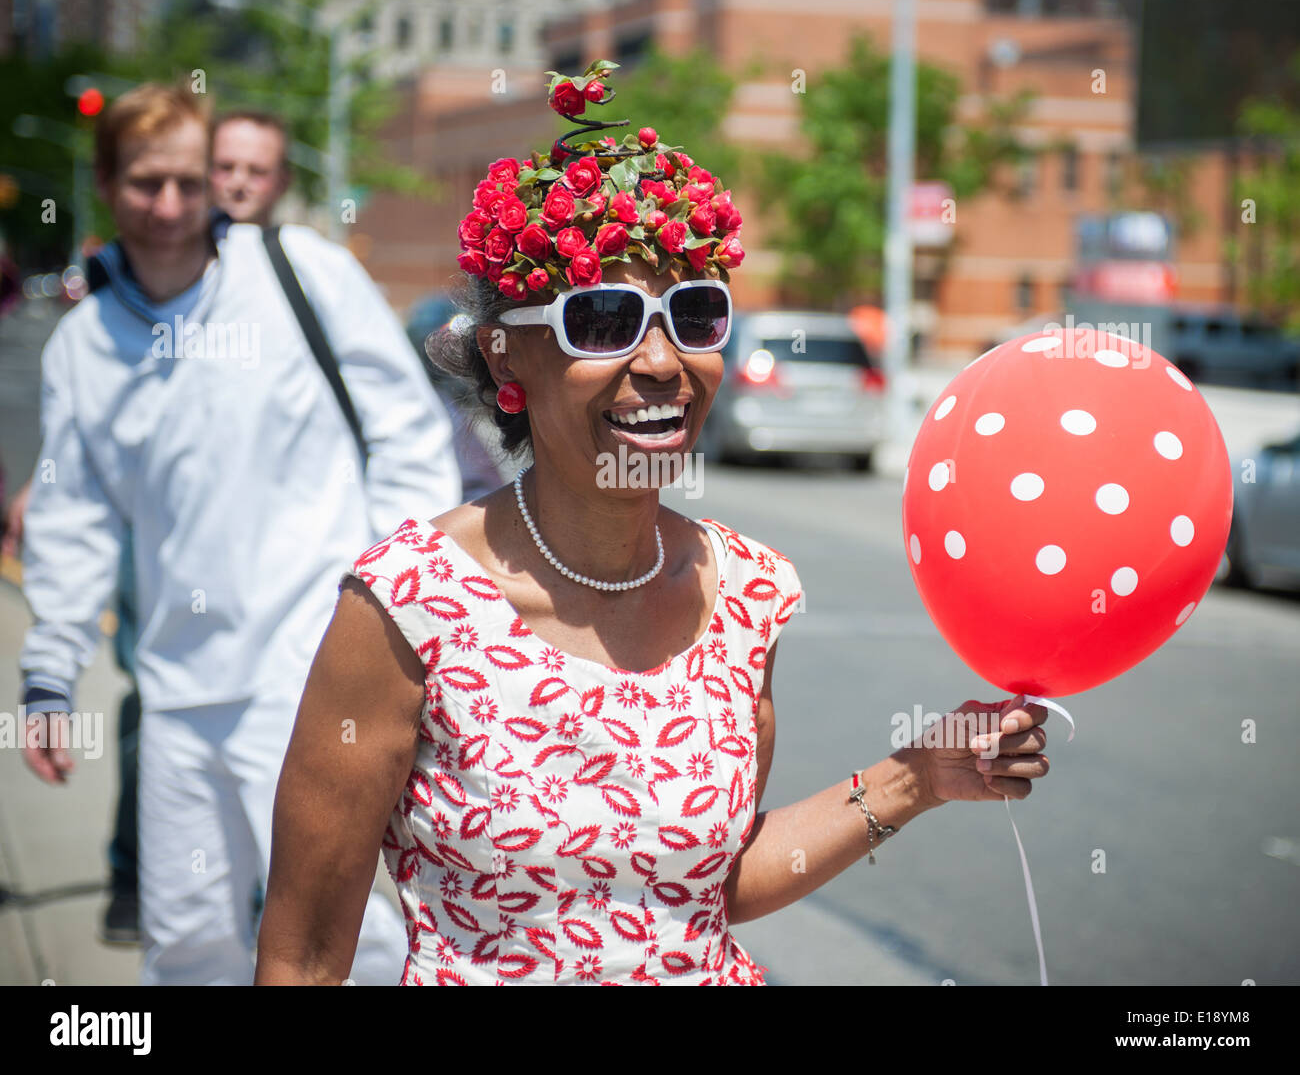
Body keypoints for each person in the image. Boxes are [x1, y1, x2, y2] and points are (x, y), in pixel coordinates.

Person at [255, 62, 1050, 985]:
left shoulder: (747, 593)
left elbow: (711, 883)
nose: (664, 361)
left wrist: (921, 777)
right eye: (604, 320)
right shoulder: (406, 607)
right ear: (506, 353)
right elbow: (304, 955)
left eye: (696, 314)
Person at [18, 82, 462, 984]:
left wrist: (392, 614)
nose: (172, 207)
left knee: (344, 933)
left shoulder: (299, 272)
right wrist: (48, 675)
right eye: (147, 184)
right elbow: (75, 520)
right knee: (186, 945)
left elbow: (408, 436)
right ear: (108, 183)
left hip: (311, 674)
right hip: (180, 688)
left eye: (190, 181)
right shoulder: (84, 347)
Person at [209, 111, 292, 228]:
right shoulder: (177, 244)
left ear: (283, 181)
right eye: (226, 168)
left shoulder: (304, 245)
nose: (238, 182)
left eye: (257, 171)